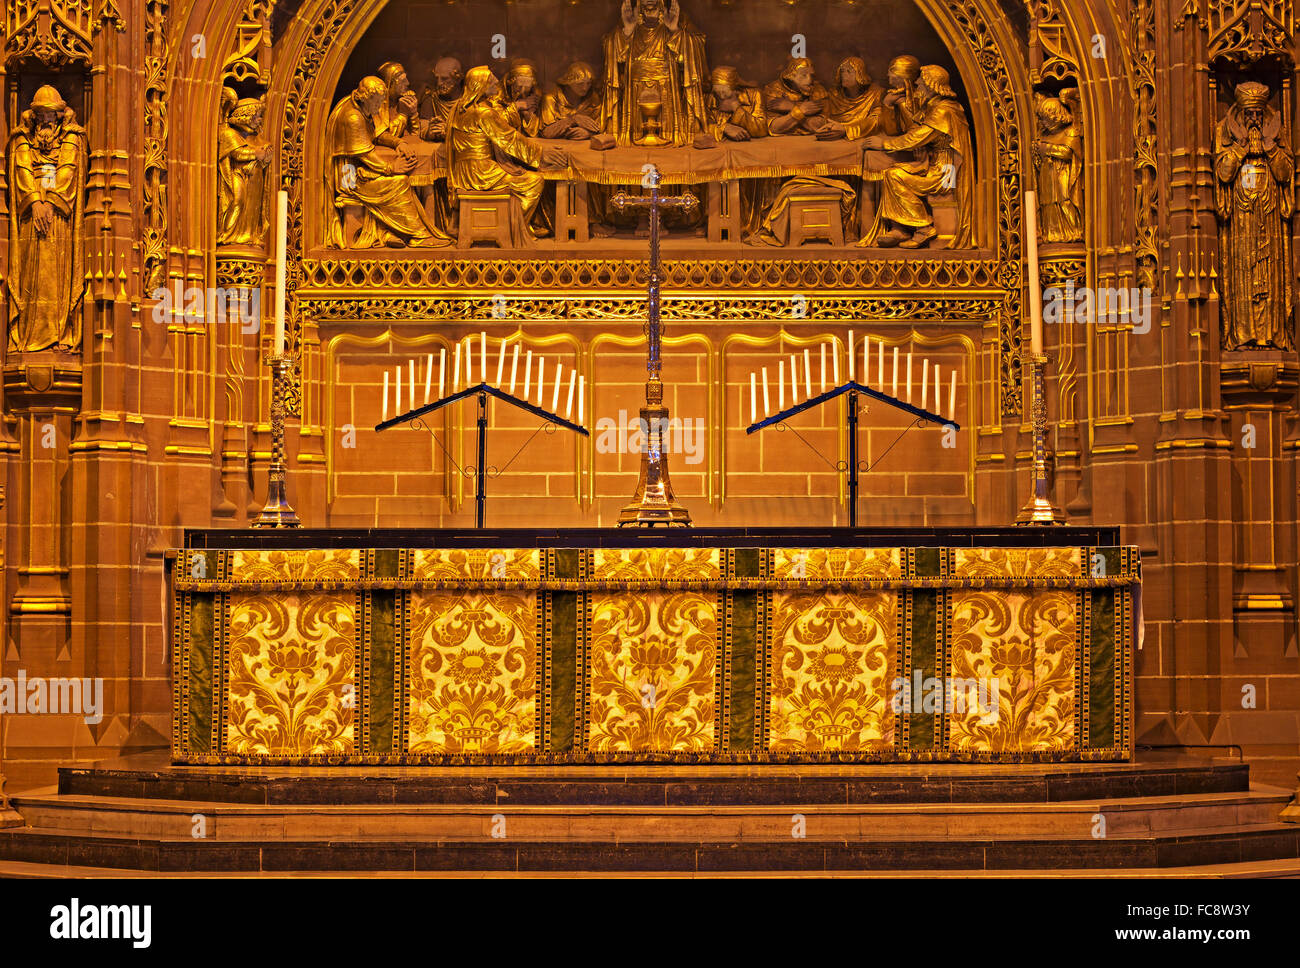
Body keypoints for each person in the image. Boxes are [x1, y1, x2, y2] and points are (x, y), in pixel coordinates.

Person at [324, 76, 450, 247]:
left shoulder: (362, 106)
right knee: (400, 182)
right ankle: (418, 235)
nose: (378, 108)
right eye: (377, 103)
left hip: (357, 170)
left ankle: (390, 233)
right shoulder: (352, 117)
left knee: (400, 180)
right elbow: (366, 155)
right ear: (366, 98)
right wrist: (391, 167)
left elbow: (377, 134)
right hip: (349, 177)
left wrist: (399, 142)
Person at [6, 85, 87, 352]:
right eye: (41, 114)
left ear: (61, 115)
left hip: (59, 219)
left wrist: (50, 203)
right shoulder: (21, 139)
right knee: (31, 277)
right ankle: (28, 337)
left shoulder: (73, 138)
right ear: (34, 115)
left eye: (51, 114)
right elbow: (21, 171)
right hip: (30, 217)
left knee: (57, 278)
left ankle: (59, 332)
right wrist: (34, 201)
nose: (46, 120)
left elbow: (69, 171)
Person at [447, 66, 569, 237]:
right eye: (490, 79)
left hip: (463, 171)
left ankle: (510, 224)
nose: (497, 81)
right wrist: (541, 154)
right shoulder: (484, 113)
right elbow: (509, 138)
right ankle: (512, 228)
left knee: (521, 175)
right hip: (480, 173)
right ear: (480, 85)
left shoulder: (459, 108)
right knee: (534, 182)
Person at [860, 64, 973, 248]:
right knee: (892, 172)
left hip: (947, 173)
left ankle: (923, 227)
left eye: (921, 84)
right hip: (933, 165)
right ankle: (902, 229)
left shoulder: (944, 110)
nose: (918, 86)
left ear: (931, 85)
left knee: (894, 176)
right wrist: (891, 104)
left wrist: (884, 144)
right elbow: (914, 126)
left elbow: (916, 137)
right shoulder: (934, 106)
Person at [601, 0, 709, 146]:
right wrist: (627, 30)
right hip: (635, 85)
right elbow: (612, 49)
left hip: (667, 83)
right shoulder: (628, 18)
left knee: (668, 122)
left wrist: (674, 30)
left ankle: (669, 135)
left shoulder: (679, 18)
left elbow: (697, 43)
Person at [217, 90, 272, 247]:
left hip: (254, 179)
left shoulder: (255, 137)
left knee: (253, 208)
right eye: (257, 116)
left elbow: (262, 156)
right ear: (246, 116)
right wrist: (256, 153)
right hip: (238, 175)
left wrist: (266, 156)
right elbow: (237, 153)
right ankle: (228, 235)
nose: (260, 119)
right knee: (238, 200)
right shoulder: (229, 133)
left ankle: (249, 235)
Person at [815, 56, 885, 140]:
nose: (844, 75)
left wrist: (847, 130)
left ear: (860, 73)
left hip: (860, 139)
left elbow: (876, 121)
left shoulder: (875, 94)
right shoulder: (834, 94)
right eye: (842, 71)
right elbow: (824, 118)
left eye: (849, 71)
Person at [763, 57, 830, 136]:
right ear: (791, 76)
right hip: (780, 143)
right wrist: (802, 110)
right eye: (803, 75)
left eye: (812, 75)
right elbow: (774, 127)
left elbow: (823, 125)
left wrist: (792, 107)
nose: (810, 80)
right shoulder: (773, 90)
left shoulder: (819, 91)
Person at [540, 62, 604, 140]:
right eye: (580, 84)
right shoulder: (551, 98)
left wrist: (588, 133)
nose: (585, 88)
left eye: (588, 83)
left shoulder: (592, 98)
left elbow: (599, 127)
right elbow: (547, 133)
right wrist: (573, 120)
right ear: (568, 82)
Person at [703, 66, 766, 141]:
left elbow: (761, 129)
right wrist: (724, 128)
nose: (721, 96)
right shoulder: (709, 98)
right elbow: (699, 128)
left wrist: (736, 109)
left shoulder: (754, 95)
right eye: (717, 92)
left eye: (724, 92)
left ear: (735, 88)